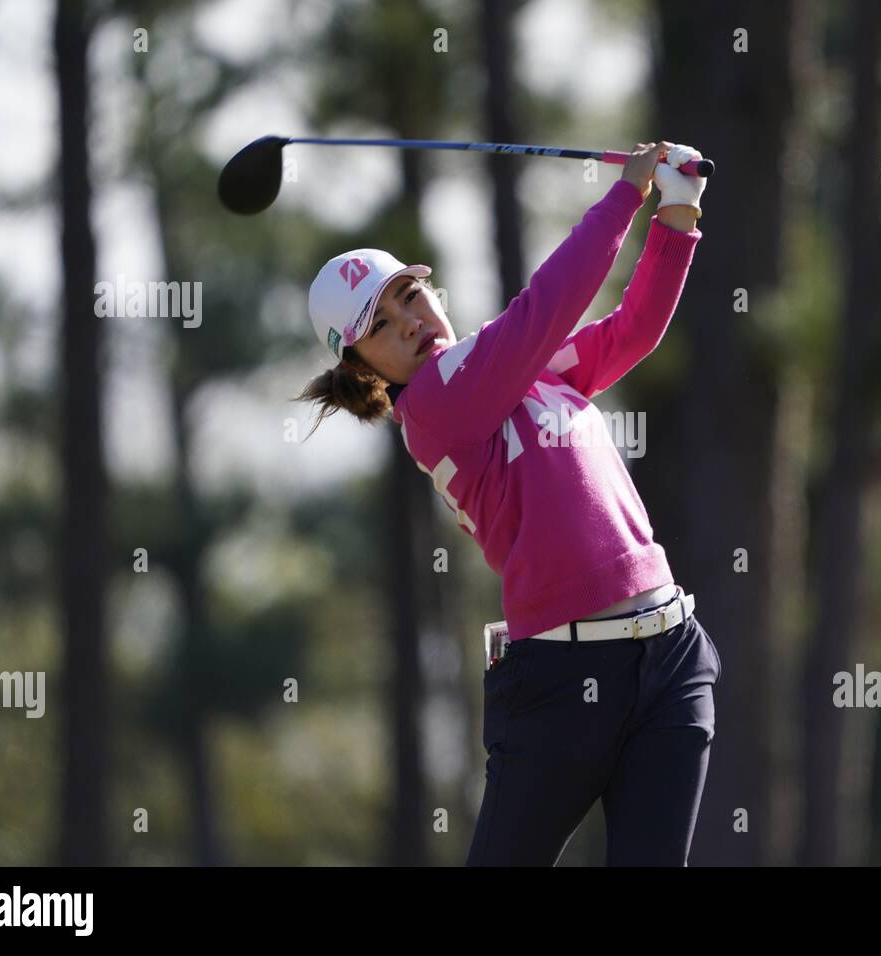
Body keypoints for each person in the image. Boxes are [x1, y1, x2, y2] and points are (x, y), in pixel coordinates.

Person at [296, 141, 722, 866]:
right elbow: (544, 309)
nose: (409, 323)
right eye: (379, 328)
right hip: (561, 684)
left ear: (435, 295)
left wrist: (677, 216)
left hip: (671, 656)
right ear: (363, 368)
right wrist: (625, 198)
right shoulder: (433, 408)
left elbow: (631, 330)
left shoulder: (533, 374)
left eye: (409, 297)